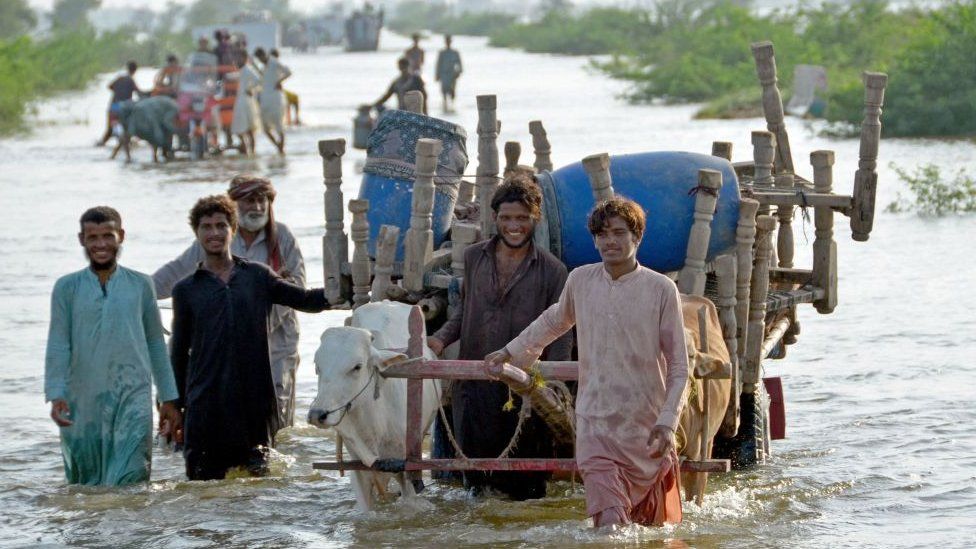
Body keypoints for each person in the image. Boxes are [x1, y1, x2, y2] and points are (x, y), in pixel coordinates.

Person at [485, 197, 688, 527]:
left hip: (644, 424)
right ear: (594, 240)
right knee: (609, 524)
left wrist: (667, 421)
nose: (610, 242)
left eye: (619, 233)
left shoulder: (661, 289)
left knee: (648, 526)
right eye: (602, 234)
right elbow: (555, 320)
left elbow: (679, 364)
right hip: (595, 422)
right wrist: (510, 351)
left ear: (637, 237)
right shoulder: (580, 280)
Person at [428, 174, 573, 500]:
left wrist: (555, 383)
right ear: (494, 218)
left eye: (522, 218)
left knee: (525, 492)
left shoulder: (554, 271)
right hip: (475, 386)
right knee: (476, 490)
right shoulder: (474, 257)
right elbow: (465, 311)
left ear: (535, 219)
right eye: (506, 218)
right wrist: (438, 339)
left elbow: (561, 329)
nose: (514, 225)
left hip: (524, 392)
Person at [169, 195, 330, 481]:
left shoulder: (257, 276)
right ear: (197, 233)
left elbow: (305, 299)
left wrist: (343, 290)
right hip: (206, 405)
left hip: (254, 401)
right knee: (203, 486)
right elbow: (179, 353)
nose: (214, 233)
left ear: (233, 229)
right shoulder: (186, 289)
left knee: (258, 485)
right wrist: (172, 405)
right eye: (206, 227)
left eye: (221, 225)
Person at [153, 176, 306, 426]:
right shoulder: (218, 235)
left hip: (276, 342)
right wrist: (137, 292)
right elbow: (175, 272)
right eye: (248, 201)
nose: (256, 207)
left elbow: (296, 289)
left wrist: (253, 323)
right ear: (233, 206)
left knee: (276, 414)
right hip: (226, 345)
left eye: (261, 200)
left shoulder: (282, 237)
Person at [44, 206, 181, 486]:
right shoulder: (66, 288)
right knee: (87, 484)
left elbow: (155, 341)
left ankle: (133, 532)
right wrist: (56, 393)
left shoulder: (141, 284)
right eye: (93, 237)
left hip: (133, 395)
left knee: (131, 480)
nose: (101, 244)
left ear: (121, 236)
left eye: (108, 235)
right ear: (82, 239)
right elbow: (59, 342)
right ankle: (91, 532)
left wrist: (168, 397)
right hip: (82, 400)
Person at [254, 47, 292, 155]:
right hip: (265, 100)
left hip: (275, 99)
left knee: (279, 125)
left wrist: (279, 81)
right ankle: (278, 147)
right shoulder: (263, 67)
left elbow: (288, 72)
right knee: (265, 128)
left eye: (261, 57)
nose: (261, 60)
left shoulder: (274, 62)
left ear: (264, 55)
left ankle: (281, 149)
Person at [97, 61, 144, 146]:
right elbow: (139, 93)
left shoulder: (120, 78)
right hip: (124, 107)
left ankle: (102, 143)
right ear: (135, 70)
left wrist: (118, 91)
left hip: (114, 105)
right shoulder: (131, 80)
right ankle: (125, 144)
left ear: (127, 68)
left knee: (110, 129)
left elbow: (109, 86)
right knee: (126, 128)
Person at [230, 52, 261, 156]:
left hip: (246, 102)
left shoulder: (248, 69)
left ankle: (251, 151)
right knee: (241, 128)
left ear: (244, 58)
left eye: (238, 58)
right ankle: (247, 149)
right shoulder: (243, 70)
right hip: (241, 100)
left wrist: (250, 89)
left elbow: (258, 80)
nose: (236, 61)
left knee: (248, 129)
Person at [271, 49, 301, 126]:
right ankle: (293, 120)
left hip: (278, 92)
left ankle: (293, 119)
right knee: (293, 99)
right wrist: (278, 81)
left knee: (292, 99)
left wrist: (279, 81)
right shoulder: (275, 65)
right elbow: (288, 73)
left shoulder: (272, 66)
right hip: (277, 93)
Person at [435, 34, 463, 113]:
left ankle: (452, 105)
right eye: (446, 41)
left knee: (452, 90)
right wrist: (437, 75)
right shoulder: (442, 52)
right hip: (443, 74)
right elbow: (438, 64)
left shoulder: (455, 52)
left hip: (452, 74)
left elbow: (459, 64)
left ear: (451, 41)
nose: (448, 42)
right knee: (444, 90)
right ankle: (445, 105)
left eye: (449, 41)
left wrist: (459, 72)